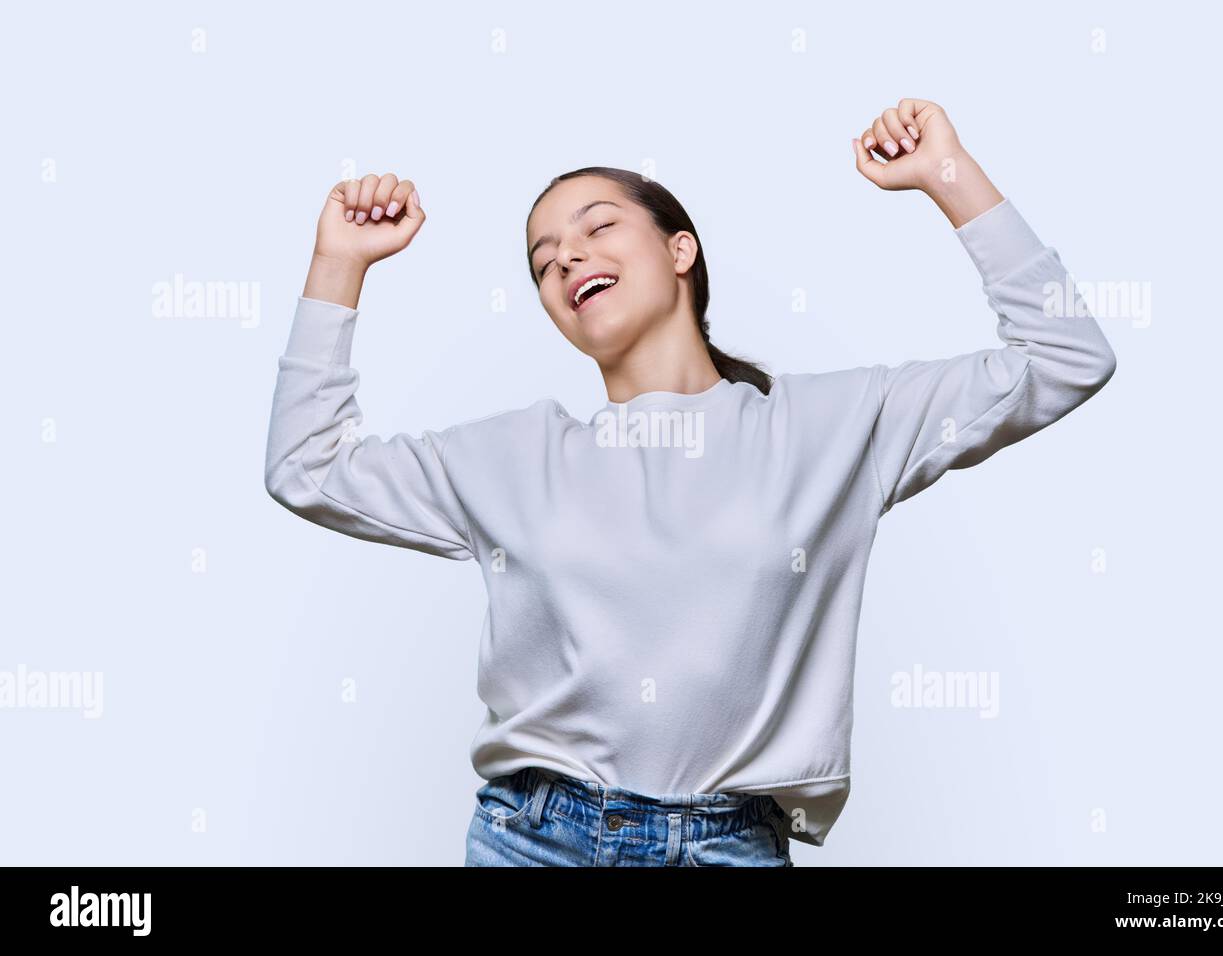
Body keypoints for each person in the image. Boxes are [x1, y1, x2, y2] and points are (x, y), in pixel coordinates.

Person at [263, 98, 1117, 866]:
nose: (567, 258)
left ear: (682, 250)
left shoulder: (834, 426)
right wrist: (338, 264)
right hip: (535, 844)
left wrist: (949, 175)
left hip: (729, 847)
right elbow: (308, 466)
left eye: (596, 227)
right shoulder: (511, 456)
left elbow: (1069, 357)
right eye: (542, 260)